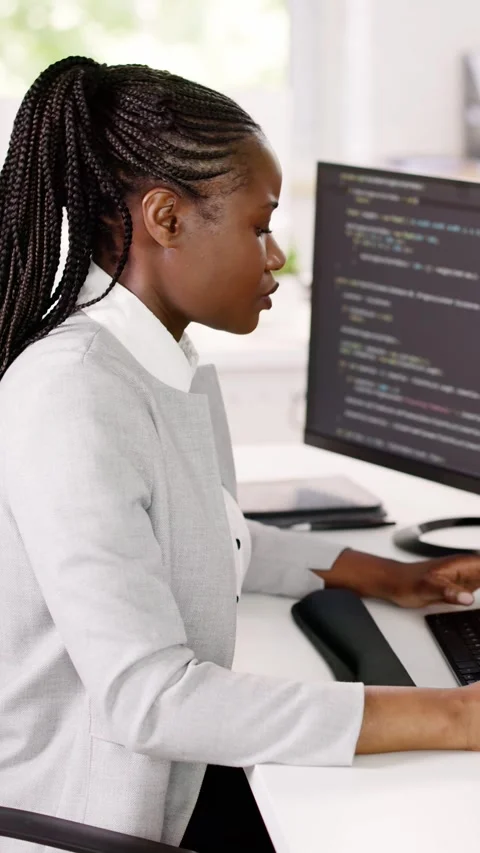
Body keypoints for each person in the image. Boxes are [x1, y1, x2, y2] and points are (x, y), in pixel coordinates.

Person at [1, 56, 480, 853]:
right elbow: (149, 701)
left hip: (168, 781)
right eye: (260, 226)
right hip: (95, 816)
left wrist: (385, 573)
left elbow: (206, 537)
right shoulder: (74, 395)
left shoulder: (158, 360)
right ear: (166, 217)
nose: (277, 257)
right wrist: (454, 714)